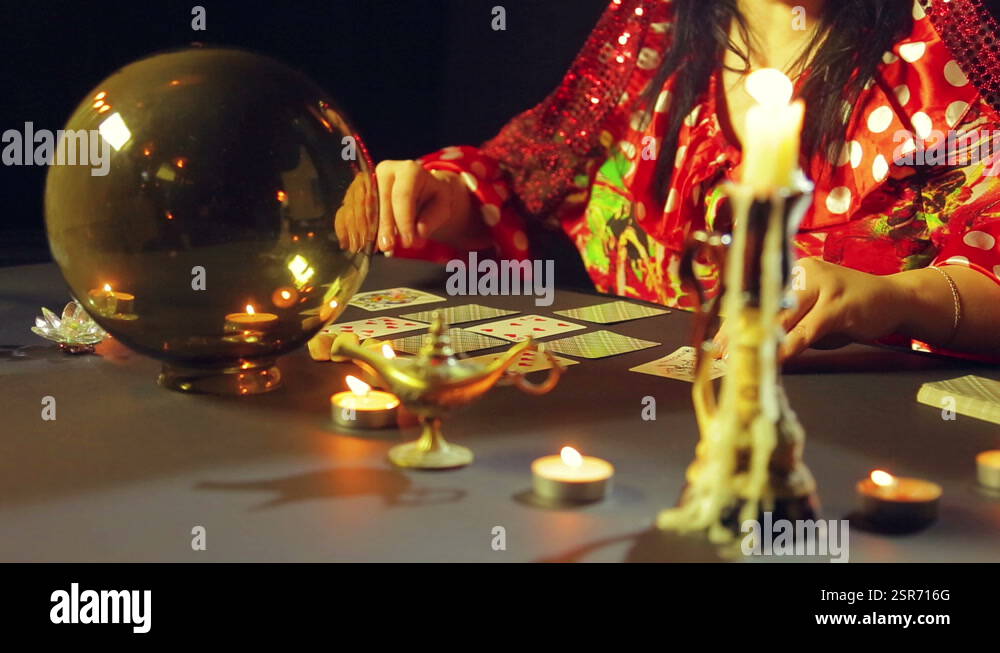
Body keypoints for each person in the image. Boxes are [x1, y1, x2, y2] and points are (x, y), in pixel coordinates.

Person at [346, 0, 1000, 360]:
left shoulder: (936, 52)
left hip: (857, 450)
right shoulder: (653, 26)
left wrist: (896, 298)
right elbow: (521, 180)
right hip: (634, 435)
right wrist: (444, 197)